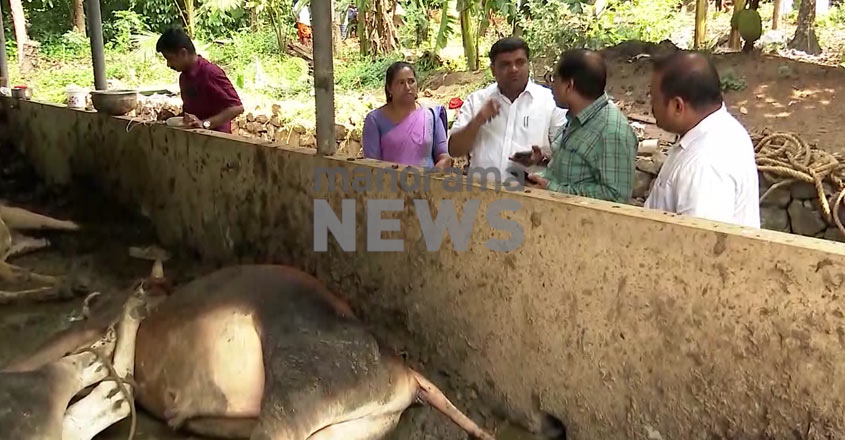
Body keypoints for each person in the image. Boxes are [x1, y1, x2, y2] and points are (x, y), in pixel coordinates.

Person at [644, 50, 760, 228]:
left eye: (654, 98)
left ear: (677, 106)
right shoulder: (722, 129)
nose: (651, 106)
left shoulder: (705, 165)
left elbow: (700, 247)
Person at [513, 49, 638, 203]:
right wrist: (543, 160)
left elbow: (616, 196)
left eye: (554, 78)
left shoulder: (612, 132)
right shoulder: (577, 119)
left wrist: (552, 190)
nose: (551, 85)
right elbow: (580, 167)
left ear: (569, 85)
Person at [448, 37, 567, 180]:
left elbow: (565, 158)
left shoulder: (550, 101)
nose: (513, 69)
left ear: (528, 65)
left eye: (520, 62)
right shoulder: (477, 101)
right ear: (493, 70)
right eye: (505, 64)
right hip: (481, 194)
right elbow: (454, 150)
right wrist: (478, 121)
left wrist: (541, 158)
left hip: (531, 196)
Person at [362, 61, 452, 169]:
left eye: (411, 81)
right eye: (400, 83)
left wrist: (429, 179)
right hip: (388, 184)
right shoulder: (375, 120)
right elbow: (372, 165)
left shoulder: (431, 115)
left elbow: (444, 157)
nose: (407, 87)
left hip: (428, 183)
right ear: (389, 88)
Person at [156, 28, 244, 134]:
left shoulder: (210, 73)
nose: (168, 65)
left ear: (183, 53)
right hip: (195, 140)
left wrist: (205, 124)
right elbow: (193, 117)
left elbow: (237, 107)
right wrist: (174, 118)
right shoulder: (184, 78)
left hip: (217, 140)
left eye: (169, 58)